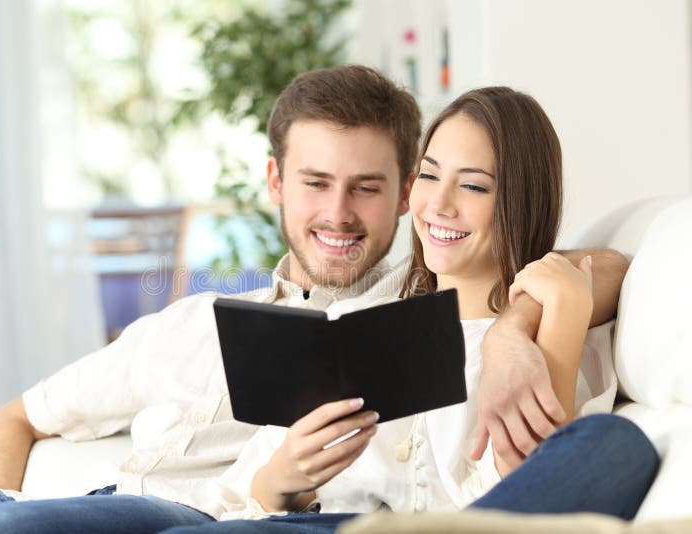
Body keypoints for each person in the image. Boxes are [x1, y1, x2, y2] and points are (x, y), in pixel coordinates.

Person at [0, 68, 628, 534]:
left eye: (367, 188)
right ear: (276, 182)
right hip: (95, 500)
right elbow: (14, 418)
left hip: (203, 515)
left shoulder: (392, 318)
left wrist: (519, 326)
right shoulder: (190, 322)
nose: (338, 214)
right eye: (316, 183)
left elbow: (592, 270)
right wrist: (4, 501)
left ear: (396, 195)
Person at [159, 87, 658, 534]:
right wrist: (287, 475)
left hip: (457, 522)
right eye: (429, 175)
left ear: (521, 201)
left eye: (473, 186)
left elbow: (531, 488)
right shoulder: (361, 321)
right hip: (313, 523)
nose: (438, 204)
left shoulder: (556, 327)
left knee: (616, 444)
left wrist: (554, 315)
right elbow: (243, 499)